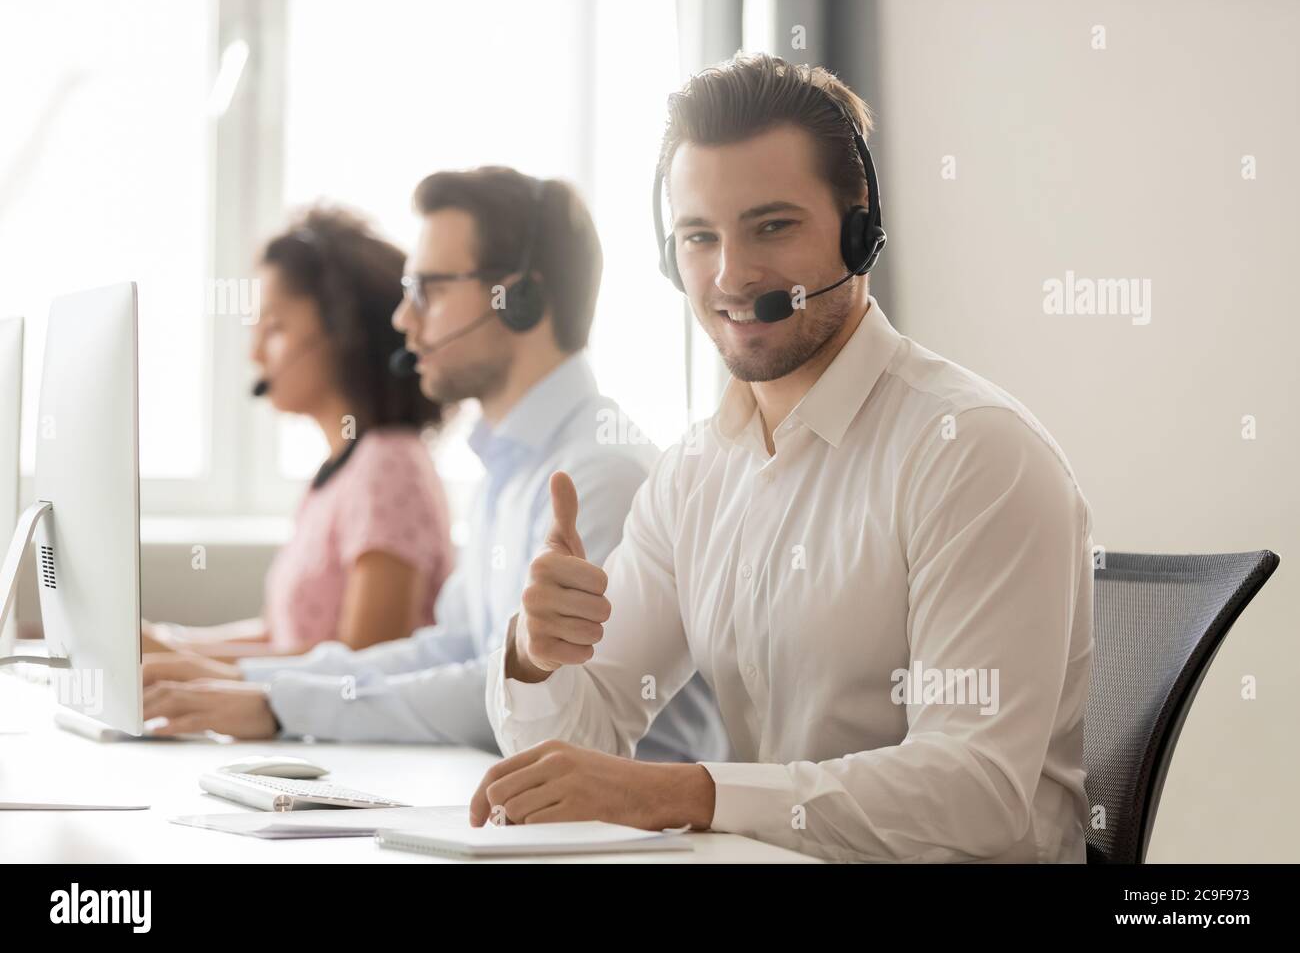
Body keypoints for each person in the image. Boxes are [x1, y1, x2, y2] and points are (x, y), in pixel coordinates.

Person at [471, 53, 1095, 863]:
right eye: (699, 236)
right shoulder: (696, 473)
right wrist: (536, 653)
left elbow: (975, 795)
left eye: (772, 226)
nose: (731, 275)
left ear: (859, 228)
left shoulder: (972, 453)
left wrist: (686, 794)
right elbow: (576, 739)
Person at [141, 168, 729, 764]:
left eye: (430, 289)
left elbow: (514, 695)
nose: (403, 319)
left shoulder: (600, 474)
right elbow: (449, 650)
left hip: (629, 841)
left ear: (520, 298)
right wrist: (260, 688)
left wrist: (279, 706)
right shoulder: (509, 467)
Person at [142, 207, 453, 660]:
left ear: (342, 331)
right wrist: (166, 644)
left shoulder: (390, 465)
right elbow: (283, 637)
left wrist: (175, 659)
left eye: (274, 328)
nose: (255, 353)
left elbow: (363, 661)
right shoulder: (340, 470)